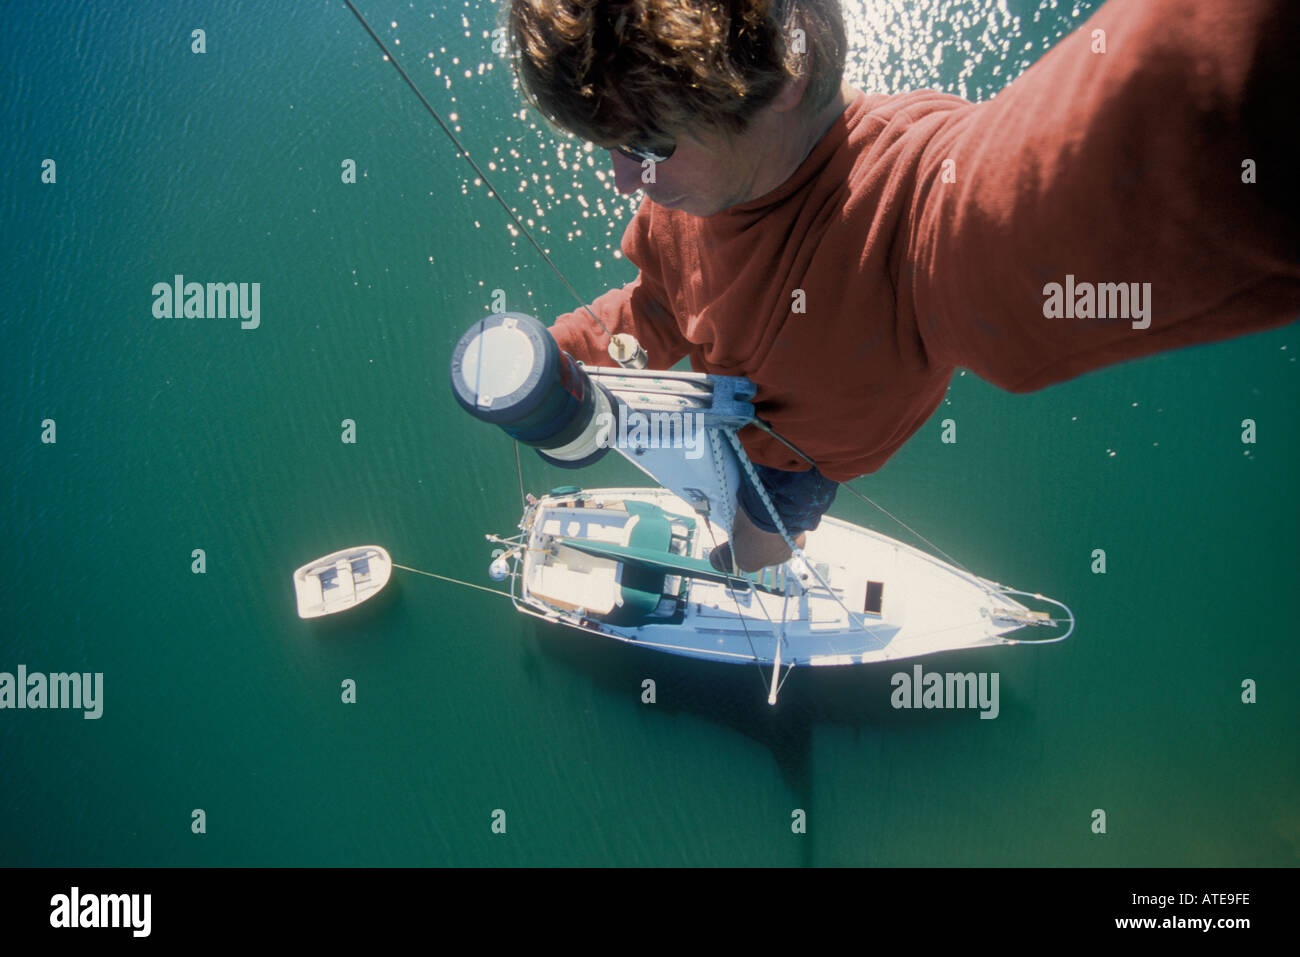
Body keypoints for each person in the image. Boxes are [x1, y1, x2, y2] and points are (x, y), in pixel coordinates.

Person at [507, 0, 1299, 572]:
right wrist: (562, 355)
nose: (621, 179)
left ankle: (758, 566)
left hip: (796, 466)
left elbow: (1129, 146)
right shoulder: (683, 194)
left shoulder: (919, 208)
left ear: (784, 72)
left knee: (752, 546)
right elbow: (658, 305)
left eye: (645, 141)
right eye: (604, 144)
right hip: (728, 406)